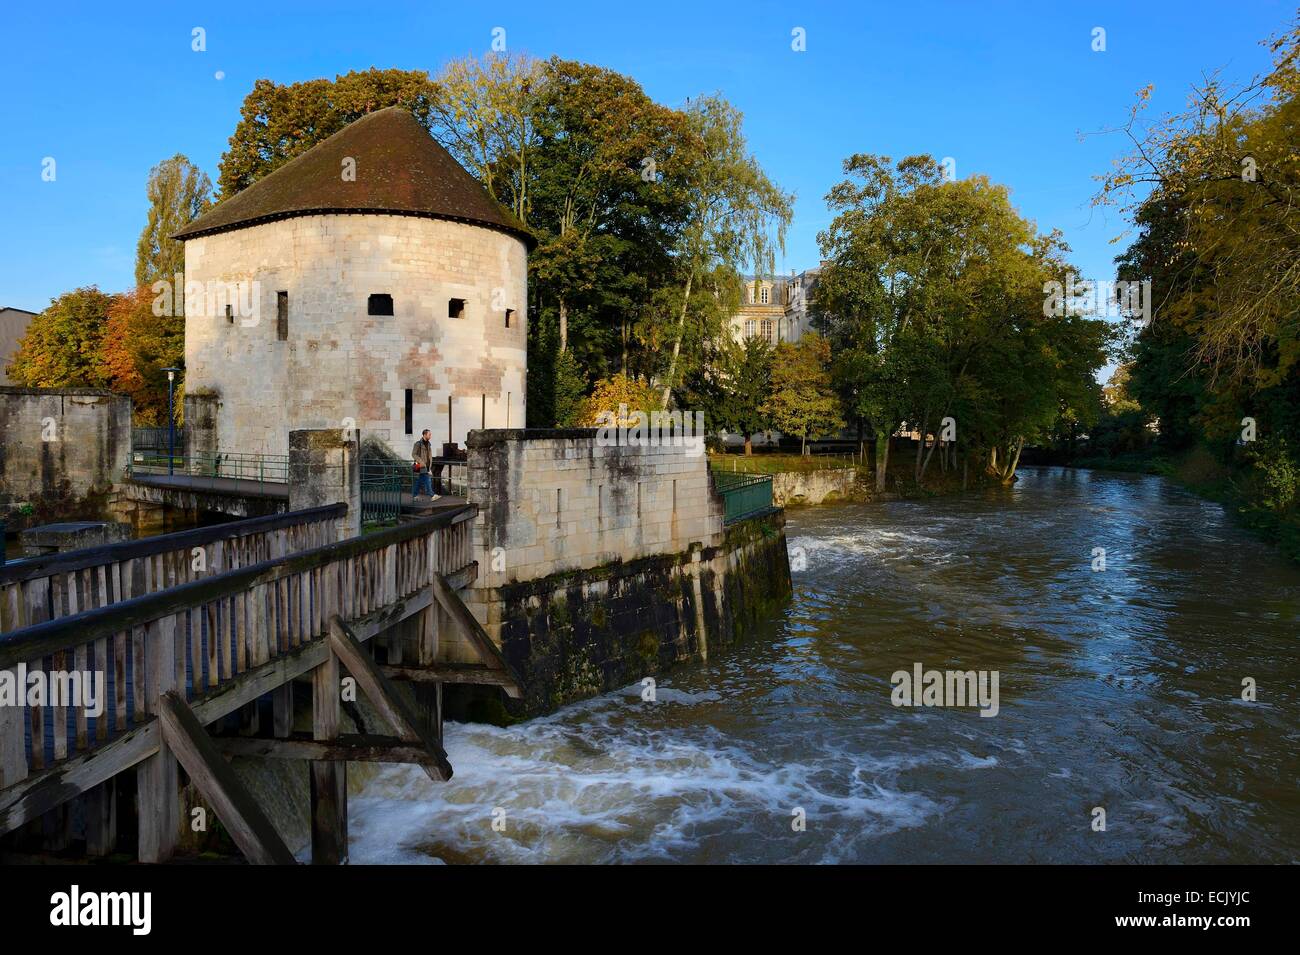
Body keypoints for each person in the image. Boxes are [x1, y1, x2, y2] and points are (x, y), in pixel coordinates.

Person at [411, 429, 435, 499]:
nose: (430, 436)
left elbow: (429, 456)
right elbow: (413, 454)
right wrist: (421, 462)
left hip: (427, 466)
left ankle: (415, 495)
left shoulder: (429, 444)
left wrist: (429, 467)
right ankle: (432, 495)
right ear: (424, 435)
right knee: (428, 480)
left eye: (430, 434)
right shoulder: (418, 444)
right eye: (429, 434)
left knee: (419, 481)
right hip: (421, 466)